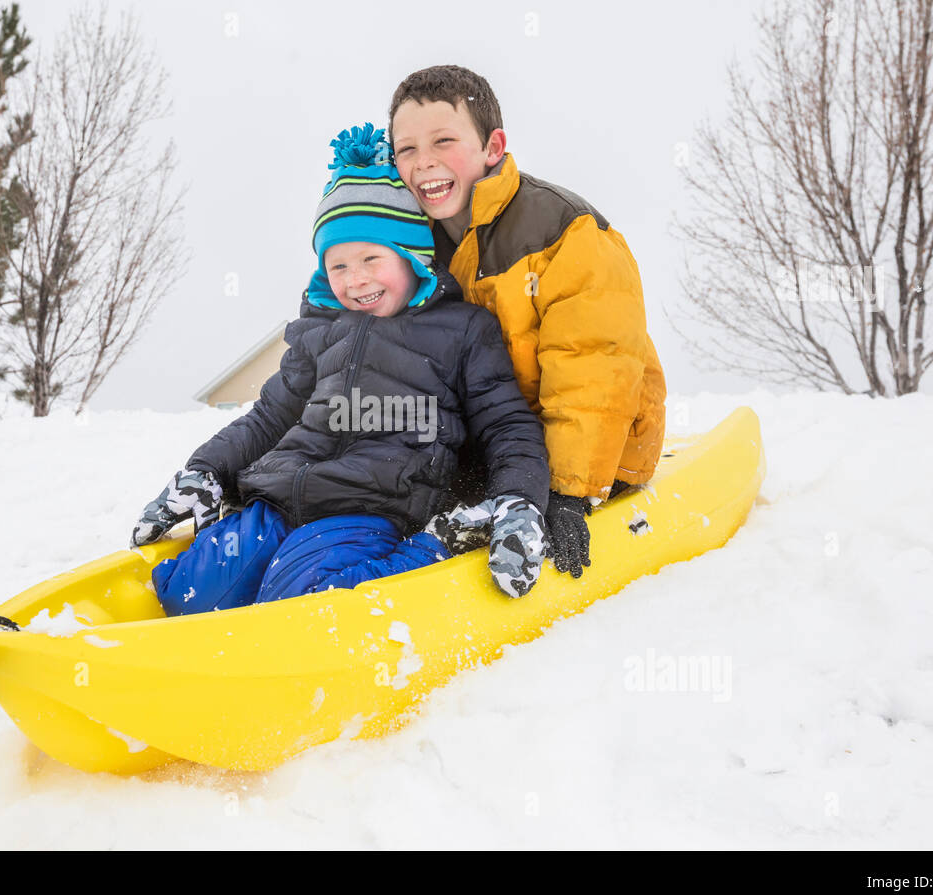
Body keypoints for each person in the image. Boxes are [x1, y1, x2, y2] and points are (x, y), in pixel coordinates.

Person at [130, 124, 551, 616]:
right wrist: (203, 474)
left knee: (302, 604)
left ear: (412, 255)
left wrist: (519, 501)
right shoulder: (319, 331)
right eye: (338, 266)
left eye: (372, 258)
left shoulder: (462, 331)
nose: (356, 280)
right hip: (276, 499)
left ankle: (441, 544)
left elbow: (507, 424)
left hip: (369, 507)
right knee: (191, 594)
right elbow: (268, 417)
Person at [388, 65, 668, 580]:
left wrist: (567, 491)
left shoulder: (564, 230)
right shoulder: (408, 247)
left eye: (443, 140)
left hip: (597, 454)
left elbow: (593, 362)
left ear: (493, 147)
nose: (423, 161)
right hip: (495, 450)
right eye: (406, 149)